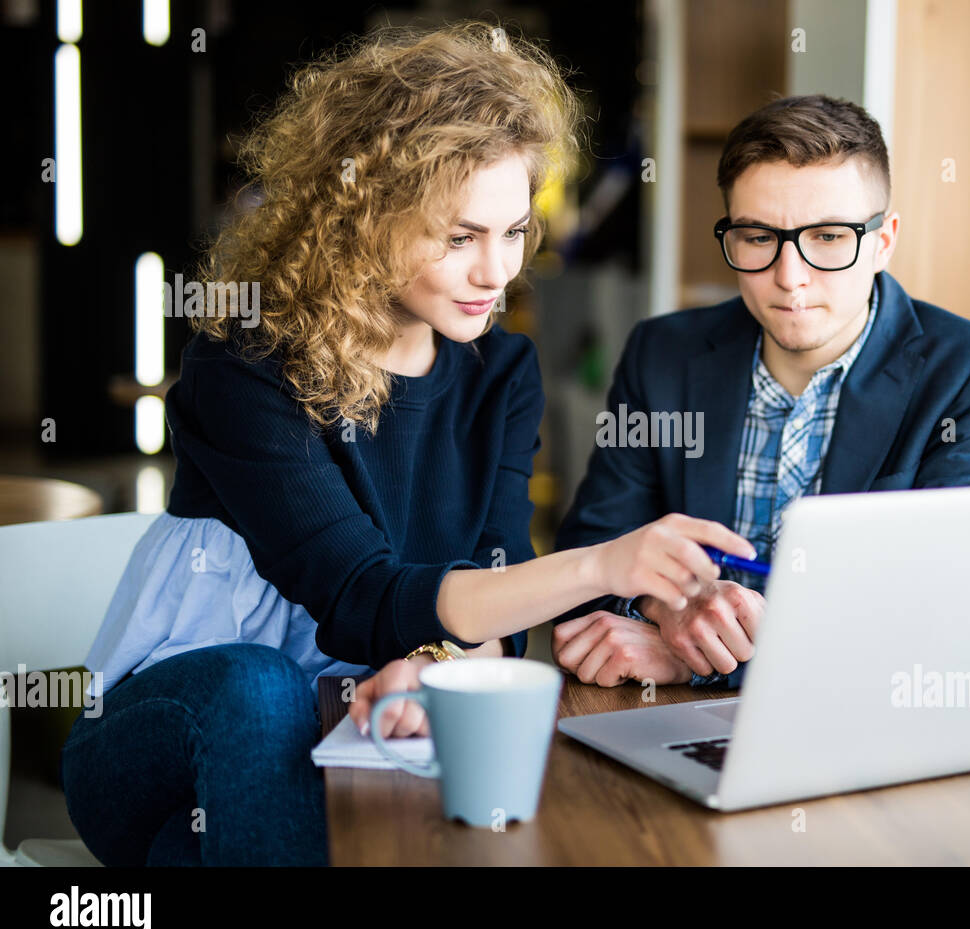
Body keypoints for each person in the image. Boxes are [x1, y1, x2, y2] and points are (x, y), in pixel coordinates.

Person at [60, 22, 751, 867]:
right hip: (167, 741)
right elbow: (360, 595)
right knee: (260, 688)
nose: (495, 273)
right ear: (364, 215)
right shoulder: (244, 363)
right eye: (459, 236)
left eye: (512, 231)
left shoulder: (503, 372)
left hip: (341, 745)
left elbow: (493, 592)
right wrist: (604, 566)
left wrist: (429, 660)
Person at [552, 94, 970, 691]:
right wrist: (663, 611)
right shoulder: (663, 355)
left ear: (884, 241)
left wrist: (699, 659)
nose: (791, 276)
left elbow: (953, 620)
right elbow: (582, 566)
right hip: (668, 725)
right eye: (758, 237)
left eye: (828, 236)